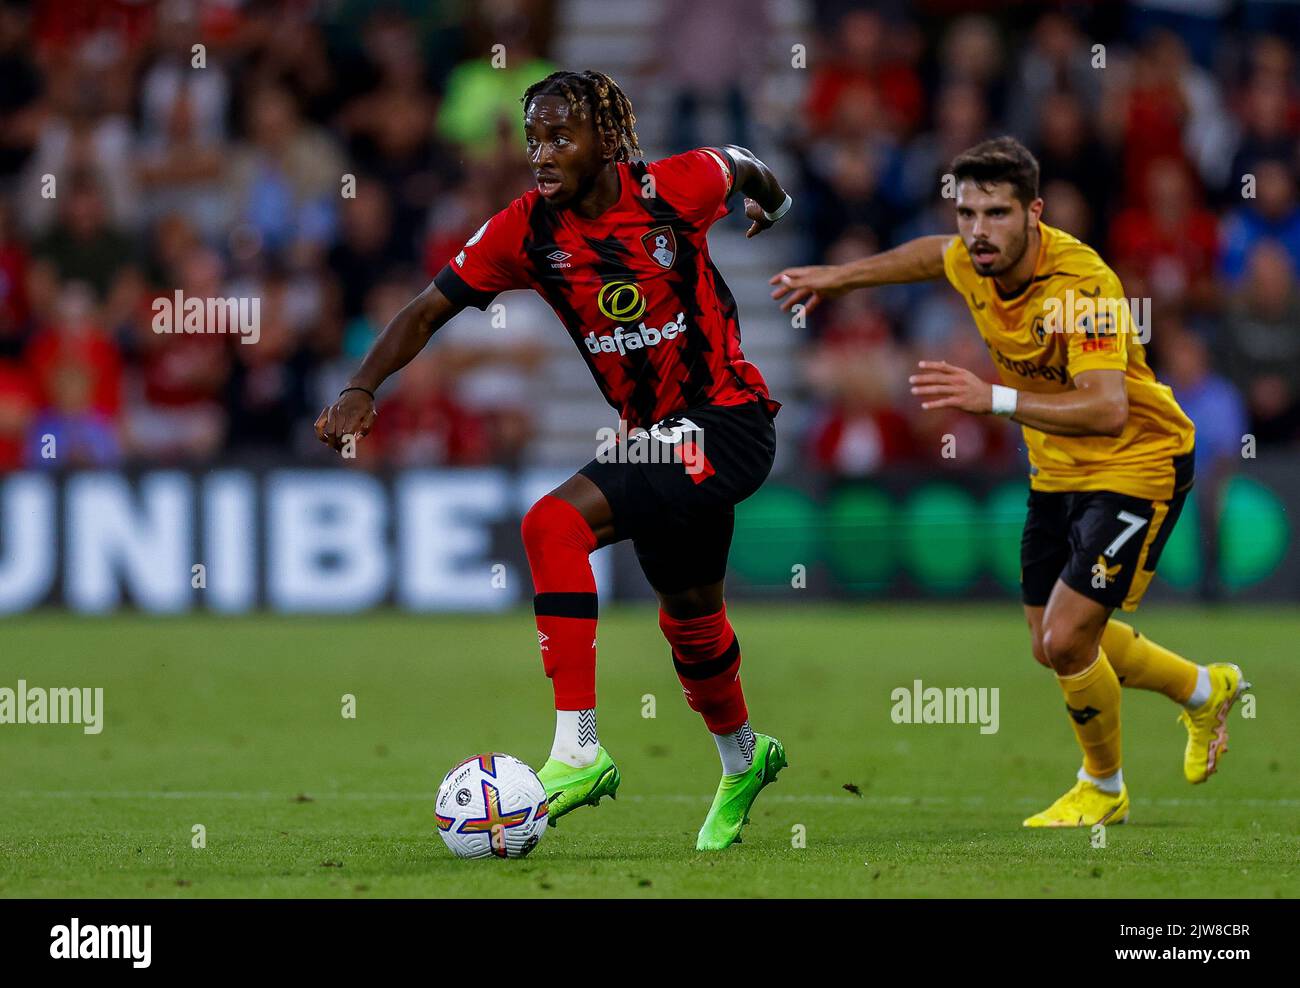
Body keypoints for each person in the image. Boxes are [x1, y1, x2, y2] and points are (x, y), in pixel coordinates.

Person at [316, 70, 793, 851]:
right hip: (657, 442)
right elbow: (428, 307)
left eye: (559, 137)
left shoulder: (673, 187)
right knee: (693, 625)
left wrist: (771, 203)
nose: (540, 153)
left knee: (552, 524)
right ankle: (745, 758)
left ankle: (579, 748)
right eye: (534, 137)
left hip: (728, 422)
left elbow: (743, 160)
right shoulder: (525, 231)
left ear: (607, 141)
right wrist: (363, 385)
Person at [772, 136, 1249, 828]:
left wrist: (990, 398)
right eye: (967, 213)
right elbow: (928, 254)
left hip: (1136, 461)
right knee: (1049, 642)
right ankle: (1205, 690)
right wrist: (838, 278)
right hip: (1056, 467)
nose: (976, 231)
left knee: (1065, 641)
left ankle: (1104, 787)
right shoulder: (970, 257)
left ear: (1035, 212)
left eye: (996, 214)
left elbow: (1108, 406)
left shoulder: (1082, 288)